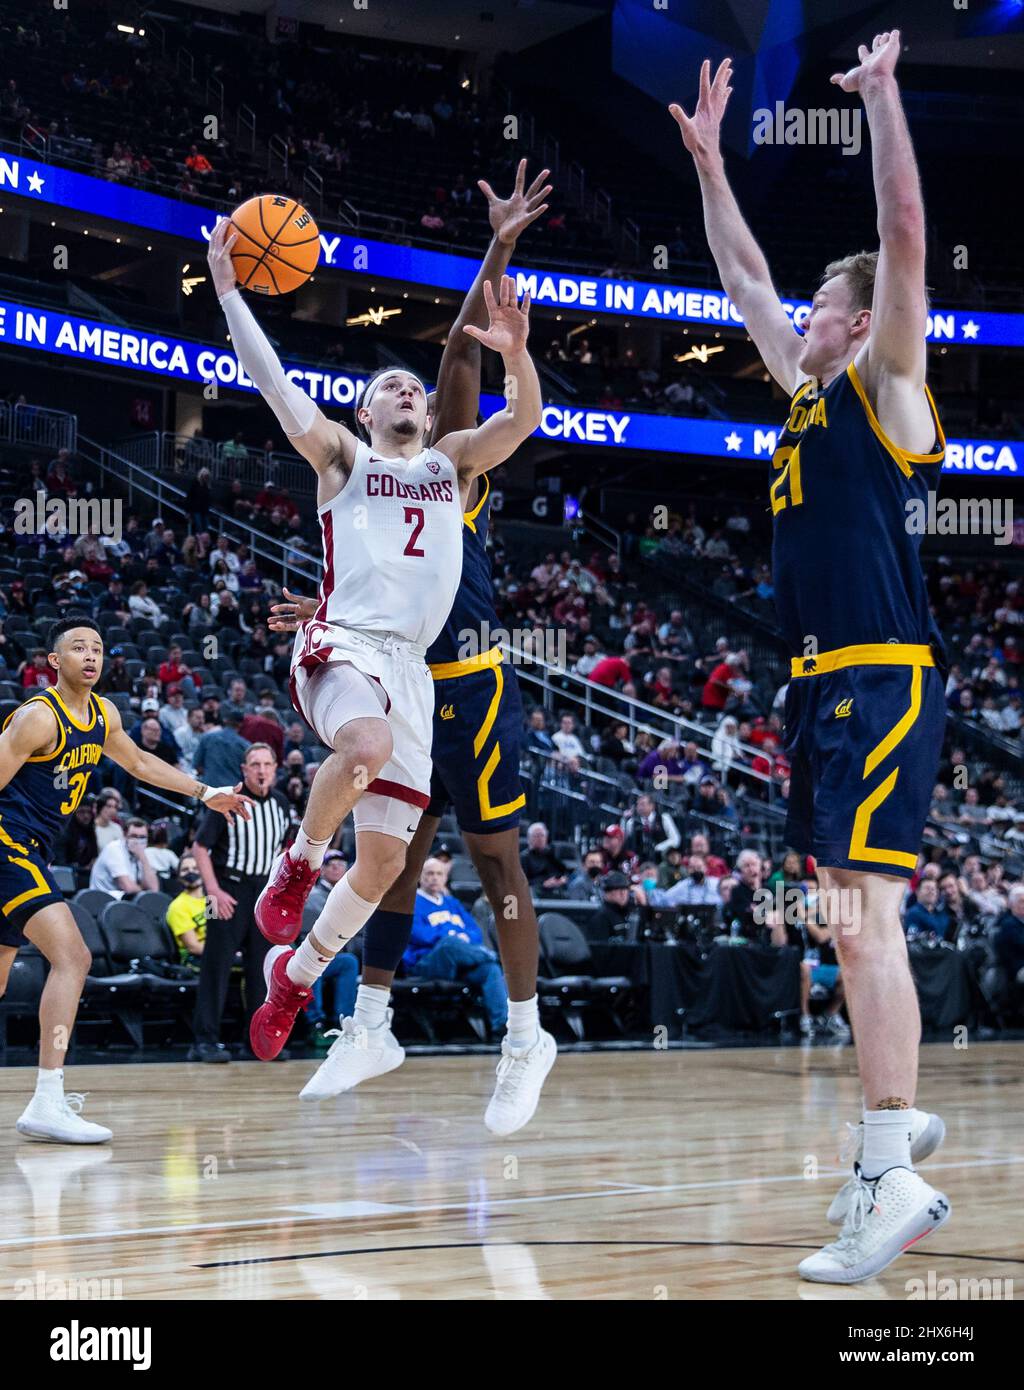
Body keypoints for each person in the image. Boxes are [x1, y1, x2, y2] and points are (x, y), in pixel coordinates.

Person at [673, 35, 950, 1283]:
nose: (803, 313)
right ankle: (890, 1133)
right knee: (843, 919)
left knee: (861, 915)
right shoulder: (800, 386)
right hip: (818, 680)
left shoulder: (884, 383)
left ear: (858, 319)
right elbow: (739, 273)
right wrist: (706, 164)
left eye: (821, 304)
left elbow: (901, 232)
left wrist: (881, 98)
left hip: (879, 671)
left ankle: (890, 1167)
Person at [206, 201, 543, 1087]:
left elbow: (521, 422)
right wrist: (229, 292)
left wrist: (516, 355)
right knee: (363, 746)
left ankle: (294, 978)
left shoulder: (452, 464)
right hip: (345, 646)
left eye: (414, 388)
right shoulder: (344, 461)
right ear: (363, 410)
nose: (408, 391)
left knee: (388, 860)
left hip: (413, 675)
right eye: (390, 385)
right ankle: (296, 865)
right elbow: (273, 384)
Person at [0, 616, 250, 1141]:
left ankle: (47, 1101)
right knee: (74, 956)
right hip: (7, 845)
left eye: (97, 647)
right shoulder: (37, 718)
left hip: (35, 850)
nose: (90, 655)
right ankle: (47, 1100)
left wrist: (205, 792)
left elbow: (137, 762)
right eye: (78, 648)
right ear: (54, 661)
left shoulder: (103, 713)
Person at [189, 743, 291, 1063]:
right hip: (222, 889)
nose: (261, 770)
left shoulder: (282, 803)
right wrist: (213, 891)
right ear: (244, 770)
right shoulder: (228, 799)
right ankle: (204, 1042)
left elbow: (282, 849)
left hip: (263, 893)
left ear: (275, 769)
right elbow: (199, 848)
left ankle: (256, 1043)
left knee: (262, 969)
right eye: (254, 764)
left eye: (267, 764)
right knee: (214, 964)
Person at [405, 858, 507, 1034]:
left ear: (445, 878)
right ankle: (493, 956)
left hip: (459, 963)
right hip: (425, 963)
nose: (434, 878)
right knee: (449, 943)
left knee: (490, 969)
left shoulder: (452, 903)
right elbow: (418, 934)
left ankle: (502, 1026)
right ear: (420, 877)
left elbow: (475, 932)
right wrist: (451, 934)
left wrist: (460, 937)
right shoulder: (411, 902)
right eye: (430, 873)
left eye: (439, 874)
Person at [89, 818, 158, 898]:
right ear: (125, 835)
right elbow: (128, 888)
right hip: (100, 899)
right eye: (134, 836)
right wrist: (143, 890)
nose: (138, 841)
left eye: (142, 837)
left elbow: (154, 889)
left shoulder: (142, 853)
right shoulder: (114, 849)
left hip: (124, 900)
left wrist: (143, 858)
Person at [166, 855, 207, 963]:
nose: (191, 873)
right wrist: (226, 952)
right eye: (185, 870)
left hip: (217, 952)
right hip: (195, 960)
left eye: (195, 868)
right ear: (179, 876)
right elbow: (194, 947)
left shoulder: (211, 899)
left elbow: (212, 931)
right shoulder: (178, 906)